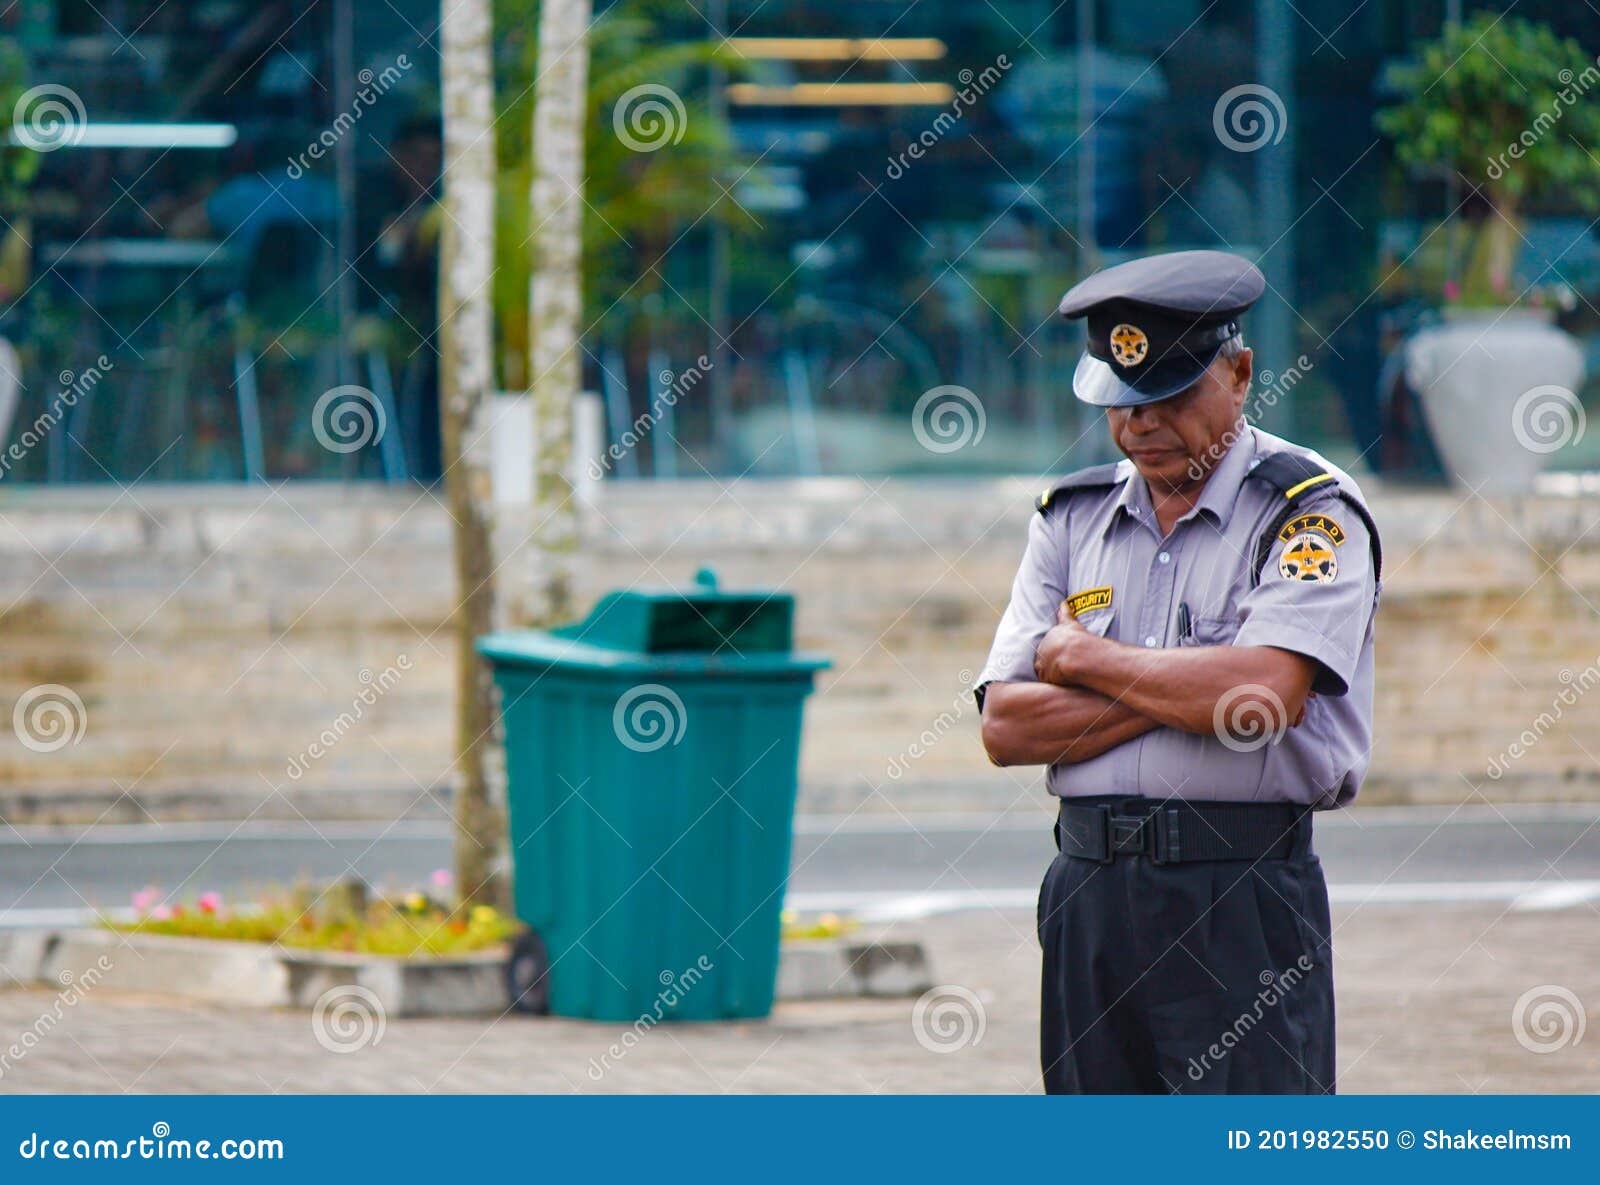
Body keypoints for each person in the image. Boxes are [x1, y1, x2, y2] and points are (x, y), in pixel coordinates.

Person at [975, 250, 1381, 1094]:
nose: (1142, 425)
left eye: (1170, 397)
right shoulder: (1073, 515)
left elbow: (1259, 699)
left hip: (1237, 896)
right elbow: (1006, 727)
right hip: (1087, 893)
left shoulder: (1306, 508)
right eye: (1122, 404)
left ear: (1239, 374)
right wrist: (1187, 686)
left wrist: (1084, 660)